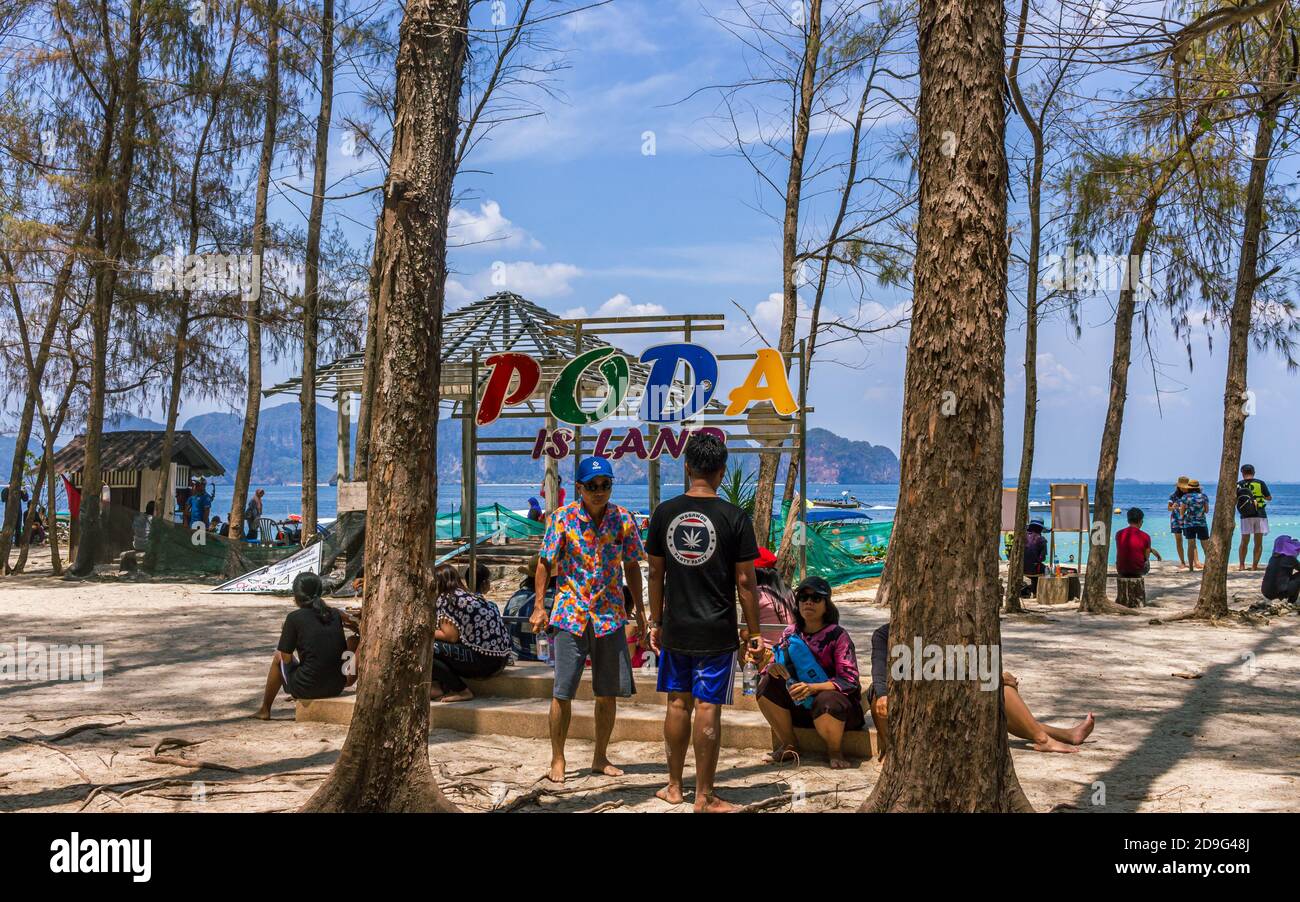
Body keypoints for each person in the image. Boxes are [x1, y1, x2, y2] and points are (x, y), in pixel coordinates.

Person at [645, 431, 762, 812]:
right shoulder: (735, 517)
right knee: (708, 707)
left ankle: (674, 787)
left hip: (676, 626)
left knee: (677, 704)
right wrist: (755, 631)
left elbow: (655, 575)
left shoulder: (664, 513)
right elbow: (746, 582)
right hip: (717, 629)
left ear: (688, 466)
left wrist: (654, 622)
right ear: (722, 472)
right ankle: (705, 796)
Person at [529, 456, 646, 783]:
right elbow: (544, 562)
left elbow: (633, 567)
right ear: (579, 487)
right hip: (570, 614)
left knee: (607, 693)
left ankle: (600, 757)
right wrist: (540, 605)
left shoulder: (623, 519)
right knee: (562, 692)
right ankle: (558, 759)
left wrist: (642, 613)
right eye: (592, 486)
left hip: (610, 615)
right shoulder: (562, 520)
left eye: (605, 485)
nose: (599, 491)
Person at [868, 623, 1094, 759]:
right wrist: (883, 693)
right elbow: (879, 671)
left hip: (941, 694)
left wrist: (996, 675)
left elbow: (958, 670)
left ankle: (1063, 735)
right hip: (900, 699)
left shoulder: (941, 628)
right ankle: (1045, 737)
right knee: (997, 686)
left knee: (997, 686)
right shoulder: (884, 634)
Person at [756, 576, 862, 770]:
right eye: (803, 598)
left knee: (827, 701)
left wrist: (812, 688)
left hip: (836, 707)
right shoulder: (789, 632)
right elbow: (774, 661)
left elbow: (849, 680)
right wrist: (772, 667)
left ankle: (834, 751)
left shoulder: (838, 635)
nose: (808, 602)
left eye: (815, 598)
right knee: (765, 683)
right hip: (798, 703)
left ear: (826, 604)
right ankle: (789, 744)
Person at [255, 572, 358, 719]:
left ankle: (265, 709)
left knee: (278, 656)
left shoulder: (293, 618)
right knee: (350, 643)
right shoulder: (335, 614)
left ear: (296, 596)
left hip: (308, 687)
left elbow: (286, 658)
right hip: (337, 686)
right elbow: (354, 626)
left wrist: (293, 638)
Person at [430, 564, 512, 703]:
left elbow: (450, 636)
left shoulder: (445, 599)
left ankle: (462, 691)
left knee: (430, 648)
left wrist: (426, 631)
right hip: (500, 660)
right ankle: (436, 685)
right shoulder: (467, 595)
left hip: (484, 663)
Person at [753, 547, 797, 645]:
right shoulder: (787, 591)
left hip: (765, 651)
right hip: (787, 647)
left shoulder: (756, 595)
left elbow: (745, 632)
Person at [1236, 464, 1272, 571]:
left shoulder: (1238, 484)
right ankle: (1254, 566)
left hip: (1245, 515)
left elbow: (1235, 499)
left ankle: (1241, 565)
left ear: (1242, 473)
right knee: (1258, 543)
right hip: (1259, 514)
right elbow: (1269, 498)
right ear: (1254, 472)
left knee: (1244, 541)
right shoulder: (1260, 483)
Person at [1115, 507, 1161, 578]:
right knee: (1145, 560)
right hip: (1138, 571)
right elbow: (1146, 557)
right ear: (1141, 521)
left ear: (1128, 521)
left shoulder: (1119, 534)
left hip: (1121, 570)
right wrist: (1150, 550)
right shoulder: (1146, 536)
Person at [1179, 479, 1211, 571]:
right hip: (1201, 523)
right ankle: (1208, 567)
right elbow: (1207, 510)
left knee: (1191, 545)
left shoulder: (1185, 497)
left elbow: (1182, 512)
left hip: (1189, 524)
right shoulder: (1204, 496)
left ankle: (1191, 568)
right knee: (1205, 545)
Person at [1261, 535, 1300, 604]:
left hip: (1266, 592)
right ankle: (1292, 601)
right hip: (1279, 593)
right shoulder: (1290, 559)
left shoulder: (1273, 558)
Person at [1021, 518, 1048, 596]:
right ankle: (1036, 592)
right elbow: (1042, 558)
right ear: (1040, 529)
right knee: (1045, 570)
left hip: (1020, 568)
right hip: (1034, 569)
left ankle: (1031, 589)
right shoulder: (1042, 540)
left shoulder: (1022, 537)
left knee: (1035, 565)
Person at [1168, 476, 1190, 568]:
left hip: (1187, 519)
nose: (1185, 488)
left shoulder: (1189, 495)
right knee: (1178, 540)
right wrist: (1173, 507)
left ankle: (1195, 561)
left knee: (1191, 540)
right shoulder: (1173, 496)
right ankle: (1182, 562)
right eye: (1183, 486)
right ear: (1179, 486)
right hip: (1175, 520)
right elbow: (1169, 508)